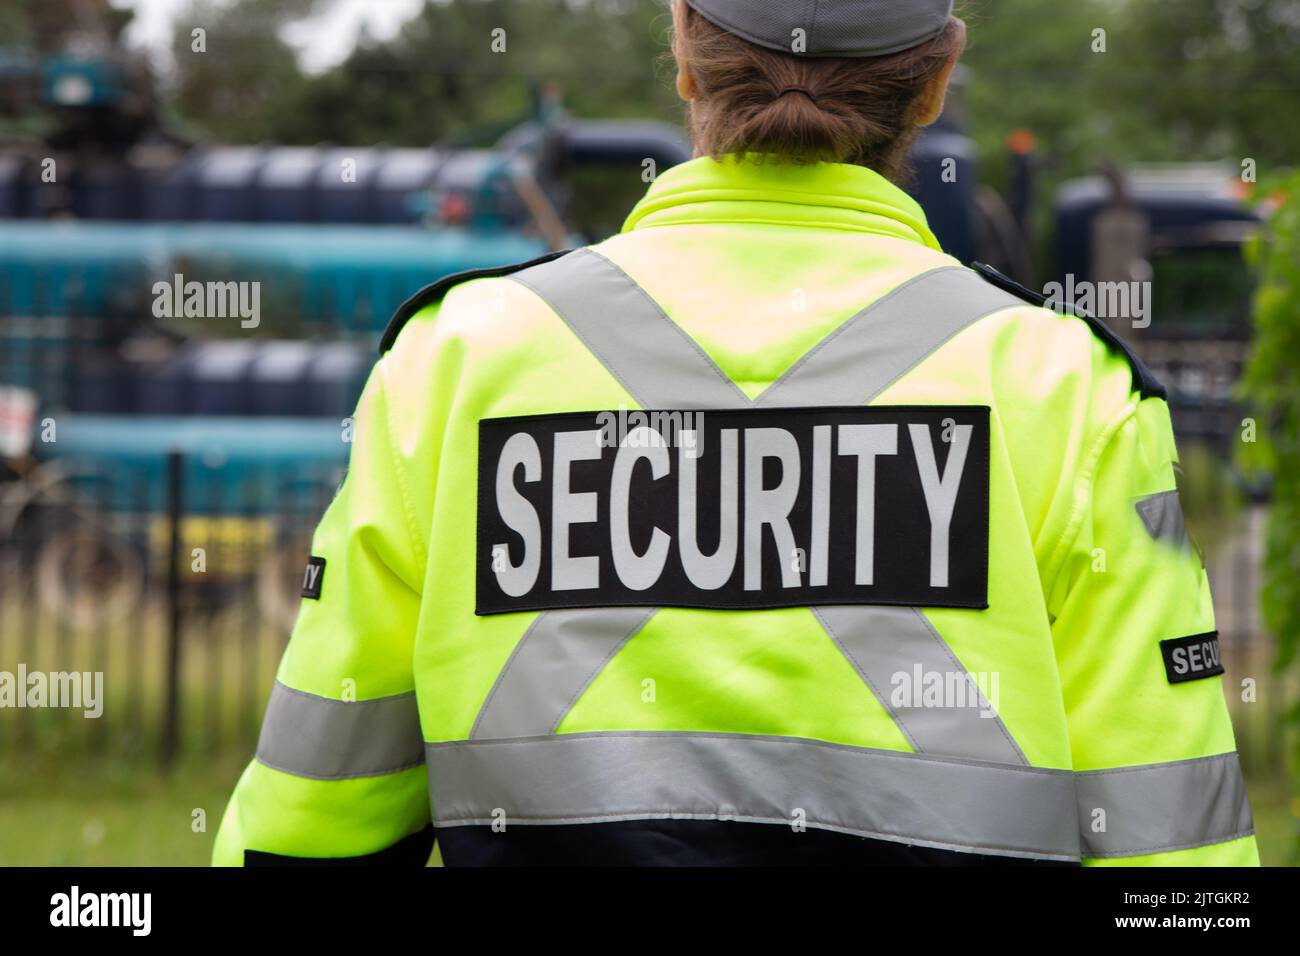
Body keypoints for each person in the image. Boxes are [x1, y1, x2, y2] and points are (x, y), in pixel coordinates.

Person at [214, 0, 1257, 866]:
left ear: (683, 55)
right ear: (936, 83)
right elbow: (1173, 855)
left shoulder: (455, 364)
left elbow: (311, 829)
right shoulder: (1068, 390)